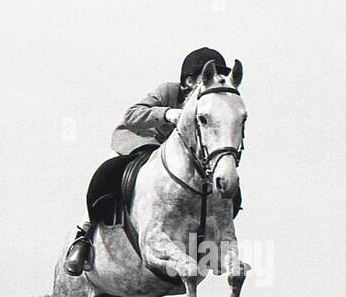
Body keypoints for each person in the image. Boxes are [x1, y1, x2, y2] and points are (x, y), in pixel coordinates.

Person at [63, 47, 234, 276]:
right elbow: (131, 115)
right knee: (109, 172)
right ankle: (84, 237)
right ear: (191, 80)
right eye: (208, 76)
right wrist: (166, 114)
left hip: (176, 159)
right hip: (142, 142)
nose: (214, 82)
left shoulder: (210, 104)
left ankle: (208, 247)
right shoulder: (168, 91)